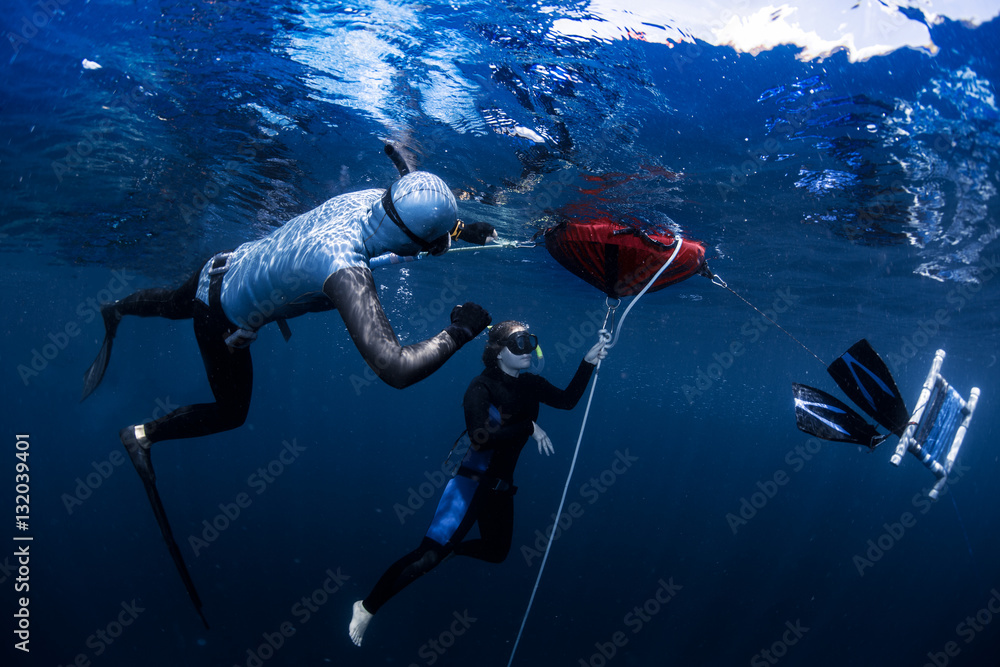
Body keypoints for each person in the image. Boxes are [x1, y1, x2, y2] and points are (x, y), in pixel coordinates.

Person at [81, 168, 495, 487]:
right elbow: (395, 369)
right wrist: (461, 330)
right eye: (432, 243)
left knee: (174, 303)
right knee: (231, 412)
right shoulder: (343, 265)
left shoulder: (374, 198)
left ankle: (115, 308)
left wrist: (458, 230)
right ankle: (142, 435)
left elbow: (412, 203)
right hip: (221, 320)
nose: (437, 248)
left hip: (222, 265)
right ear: (413, 239)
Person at [349, 320, 610, 646]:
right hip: (470, 485)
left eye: (531, 342)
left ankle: (453, 550)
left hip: (501, 490)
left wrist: (588, 361)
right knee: (427, 557)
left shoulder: (531, 385)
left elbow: (568, 400)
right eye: (519, 344)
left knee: (497, 551)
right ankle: (367, 607)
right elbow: (480, 438)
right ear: (498, 352)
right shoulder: (481, 387)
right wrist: (528, 427)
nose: (528, 350)